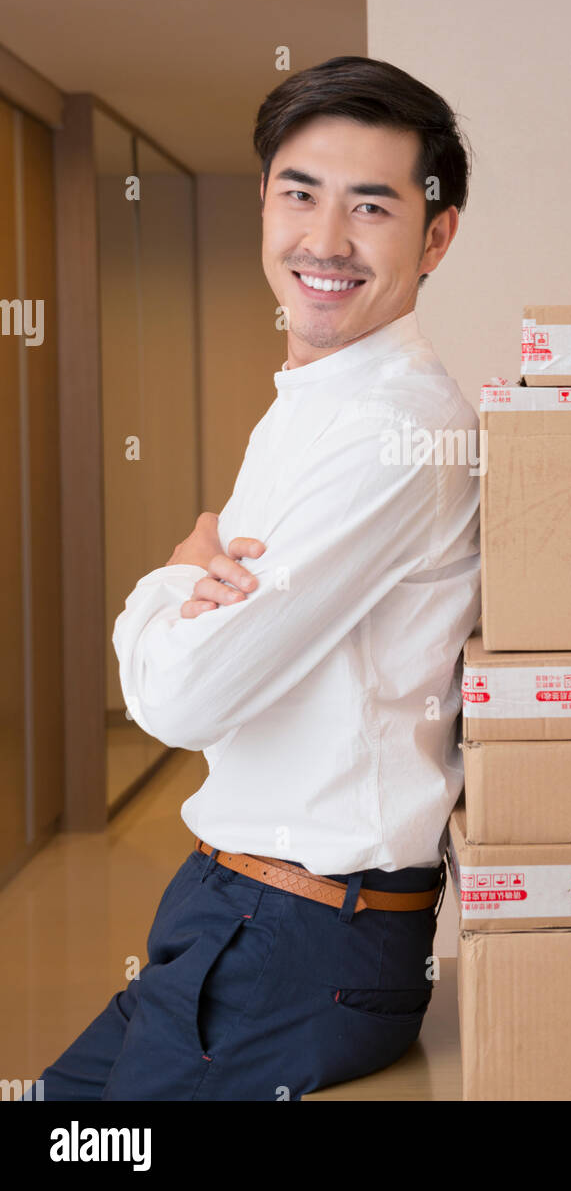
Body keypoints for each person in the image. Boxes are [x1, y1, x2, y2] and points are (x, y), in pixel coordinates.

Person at [38, 55, 481, 1101]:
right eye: (299, 194)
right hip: (236, 901)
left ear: (435, 235)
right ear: (265, 206)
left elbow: (182, 697)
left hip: (301, 937)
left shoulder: (390, 432)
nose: (324, 241)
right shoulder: (315, 402)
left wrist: (165, 584)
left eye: (370, 206)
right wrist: (190, 591)